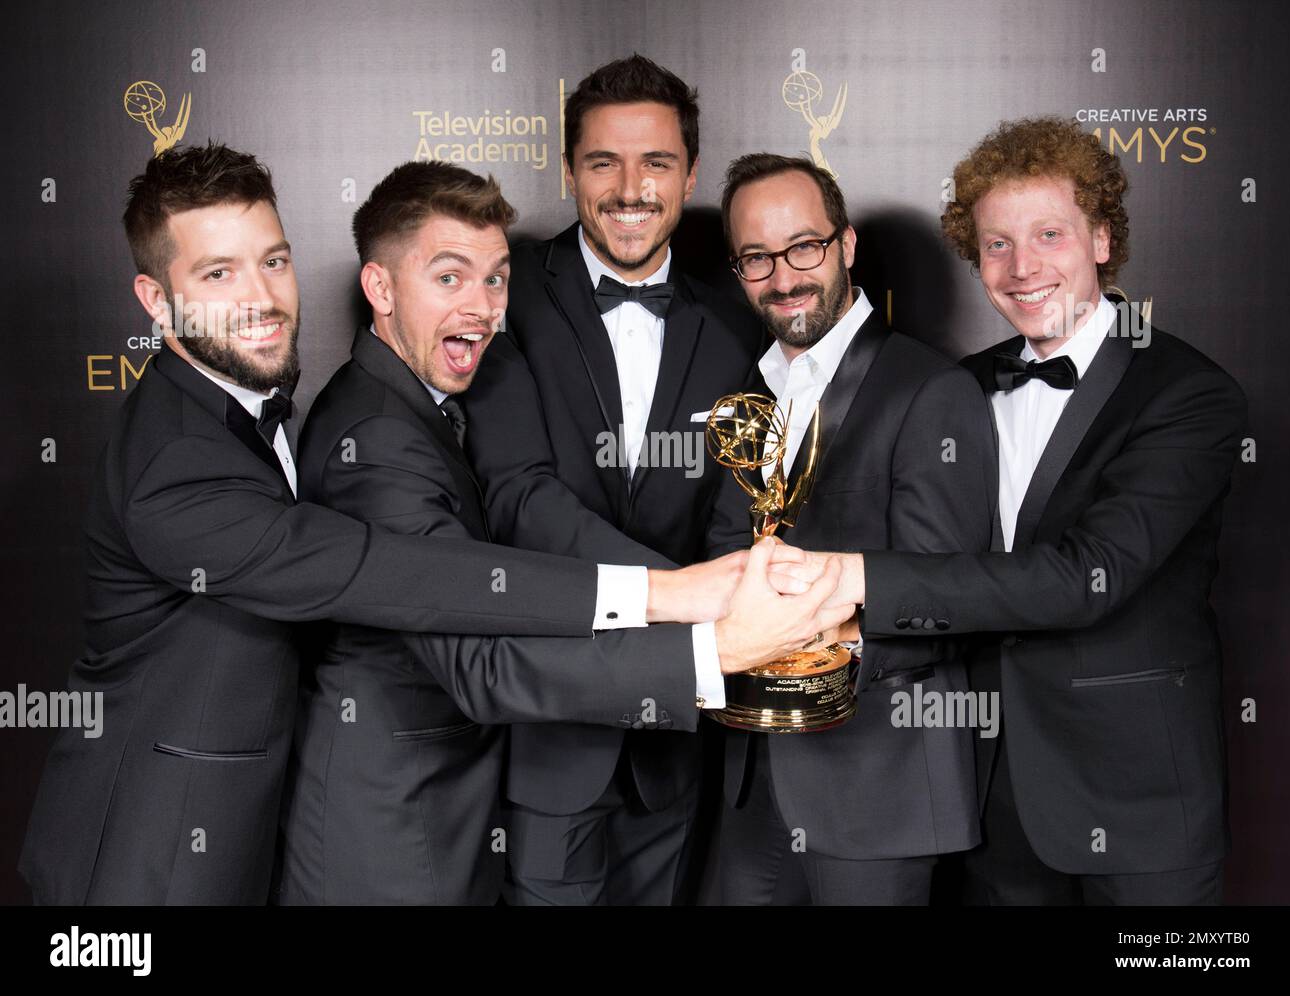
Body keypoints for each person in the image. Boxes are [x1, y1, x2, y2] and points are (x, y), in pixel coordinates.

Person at [17, 142, 822, 905]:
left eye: (273, 261)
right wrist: (680, 610)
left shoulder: (261, 403)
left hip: (296, 824)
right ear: (157, 299)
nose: (261, 297)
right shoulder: (195, 462)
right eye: (218, 272)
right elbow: (402, 576)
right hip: (152, 857)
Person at [277, 160, 846, 904]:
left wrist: (674, 592)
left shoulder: (426, 407)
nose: (481, 307)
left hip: (445, 812)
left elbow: (493, 589)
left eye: (496, 278)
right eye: (449, 278)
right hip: (389, 829)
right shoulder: (376, 442)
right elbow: (481, 662)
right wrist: (709, 643)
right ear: (379, 289)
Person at [810, 117, 1247, 905]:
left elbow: (1087, 578)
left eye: (1050, 234)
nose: (1023, 267)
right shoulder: (957, 387)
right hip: (986, 797)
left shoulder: (1188, 393)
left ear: (1103, 240)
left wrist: (857, 581)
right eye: (997, 244)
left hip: (1140, 799)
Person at [462, 55, 762, 905]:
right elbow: (519, 495)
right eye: (604, 163)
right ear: (568, 171)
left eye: (657, 163)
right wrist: (687, 593)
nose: (631, 189)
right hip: (548, 732)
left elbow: (735, 507)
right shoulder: (507, 297)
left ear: (690, 173)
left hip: (677, 739)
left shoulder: (736, 324)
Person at [706, 153, 996, 904]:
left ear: (847, 245)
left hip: (878, 783)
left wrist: (811, 635)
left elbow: (954, 597)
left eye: (804, 247)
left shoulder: (932, 389)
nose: (785, 276)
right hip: (751, 779)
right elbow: (719, 550)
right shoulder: (745, 394)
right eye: (757, 257)